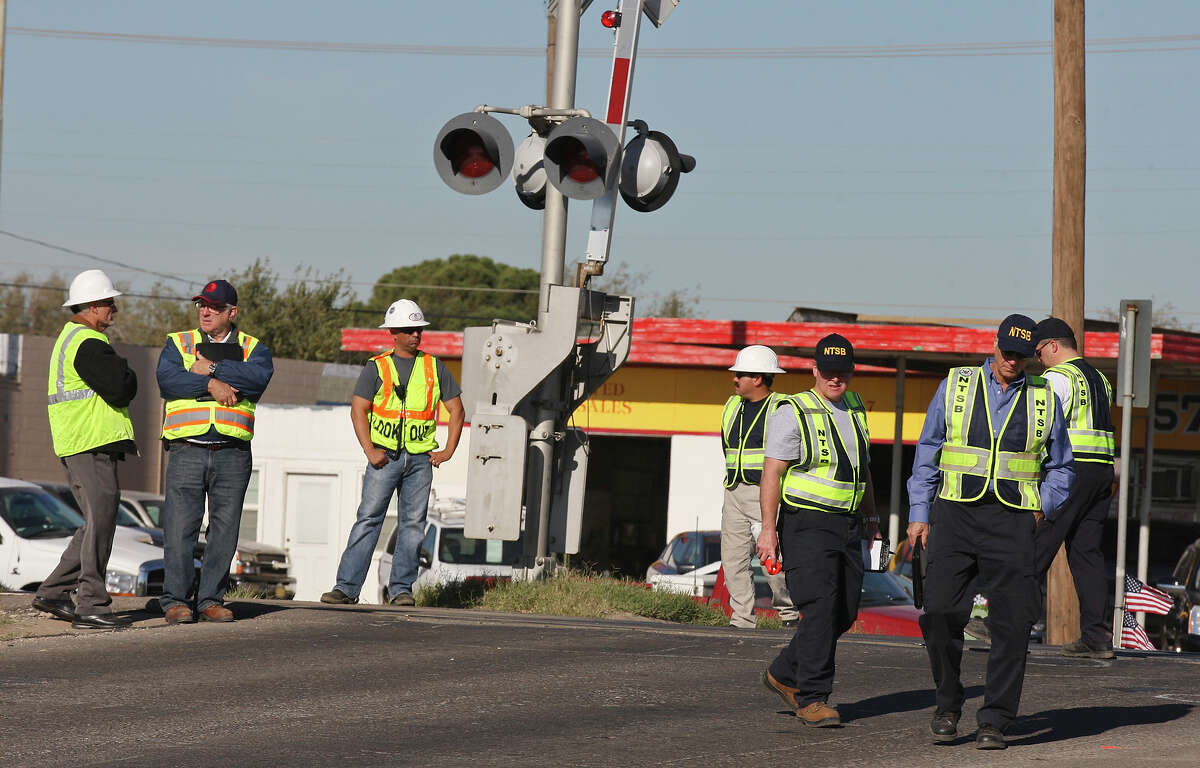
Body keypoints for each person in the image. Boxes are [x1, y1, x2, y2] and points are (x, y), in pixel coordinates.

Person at [906, 314, 1074, 750]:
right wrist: (919, 513)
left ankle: (995, 720)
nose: (1012, 361)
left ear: (1032, 356)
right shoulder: (957, 385)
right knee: (940, 612)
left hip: (1014, 520)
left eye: (1021, 356)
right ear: (994, 346)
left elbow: (1061, 466)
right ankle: (947, 703)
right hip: (955, 515)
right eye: (1006, 352)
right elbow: (929, 448)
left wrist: (1042, 508)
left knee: (1013, 622)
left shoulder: (1044, 396)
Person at [757, 333, 878, 727]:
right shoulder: (793, 410)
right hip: (806, 524)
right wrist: (769, 532)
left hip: (847, 524)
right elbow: (772, 473)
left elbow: (863, 471)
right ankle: (812, 697)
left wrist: (872, 520)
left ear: (851, 371)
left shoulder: (856, 408)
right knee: (820, 607)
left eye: (842, 371)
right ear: (814, 369)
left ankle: (783, 672)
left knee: (843, 612)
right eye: (828, 371)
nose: (835, 378)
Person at [321, 299, 465, 606]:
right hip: (383, 458)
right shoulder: (376, 367)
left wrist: (448, 451)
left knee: (413, 526)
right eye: (409, 330)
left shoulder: (434, 367)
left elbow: (457, 410)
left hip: (420, 461)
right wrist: (369, 449)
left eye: (418, 330)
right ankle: (346, 588)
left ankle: (401, 590)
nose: (416, 335)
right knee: (368, 519)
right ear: (393, 333)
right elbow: (358, 409)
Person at [156, 279, 274, 624]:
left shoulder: (255, 348)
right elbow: (168, 381)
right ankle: (176, 600)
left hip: (232, 451)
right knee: (180, 527)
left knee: (225, 529)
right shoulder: (179, 343)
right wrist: (211, 385)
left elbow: (256, 381)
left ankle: (210, 599)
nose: (205, 311)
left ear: (231, 312)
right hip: (187, 449)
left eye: (214, 307)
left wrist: (209, 369)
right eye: (201, 305)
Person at [34, 269, 138, 629]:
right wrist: (127, 370)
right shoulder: (89, 343)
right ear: (93, 307)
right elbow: (122, 386)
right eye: (110, 303)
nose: (114, 309)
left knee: (96, 521)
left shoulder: (71, 339)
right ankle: (91, 602)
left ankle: (53, 592)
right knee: (102, 521)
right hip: (90, 444)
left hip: (79, 443)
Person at [1033, 317, 1116, 659]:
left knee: (1034, 547)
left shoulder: (1056, 378)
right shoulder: (1100, 379)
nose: (1038, 360)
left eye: (1039, 352)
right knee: (1087, 555)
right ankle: (1097, 638)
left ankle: (1006, 626)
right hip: (1102, 473)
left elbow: (1043, 430)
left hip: (1070, 473)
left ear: (1053, 345)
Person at [720, 345, 798, 629]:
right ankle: (742, 618)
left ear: (758, 378)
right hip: (734, 492)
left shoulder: (782, 408)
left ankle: (789, 615)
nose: (734, 379)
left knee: (772, 561)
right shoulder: (731, 406)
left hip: (765, 494)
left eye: (740, 374)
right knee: (733, 560)